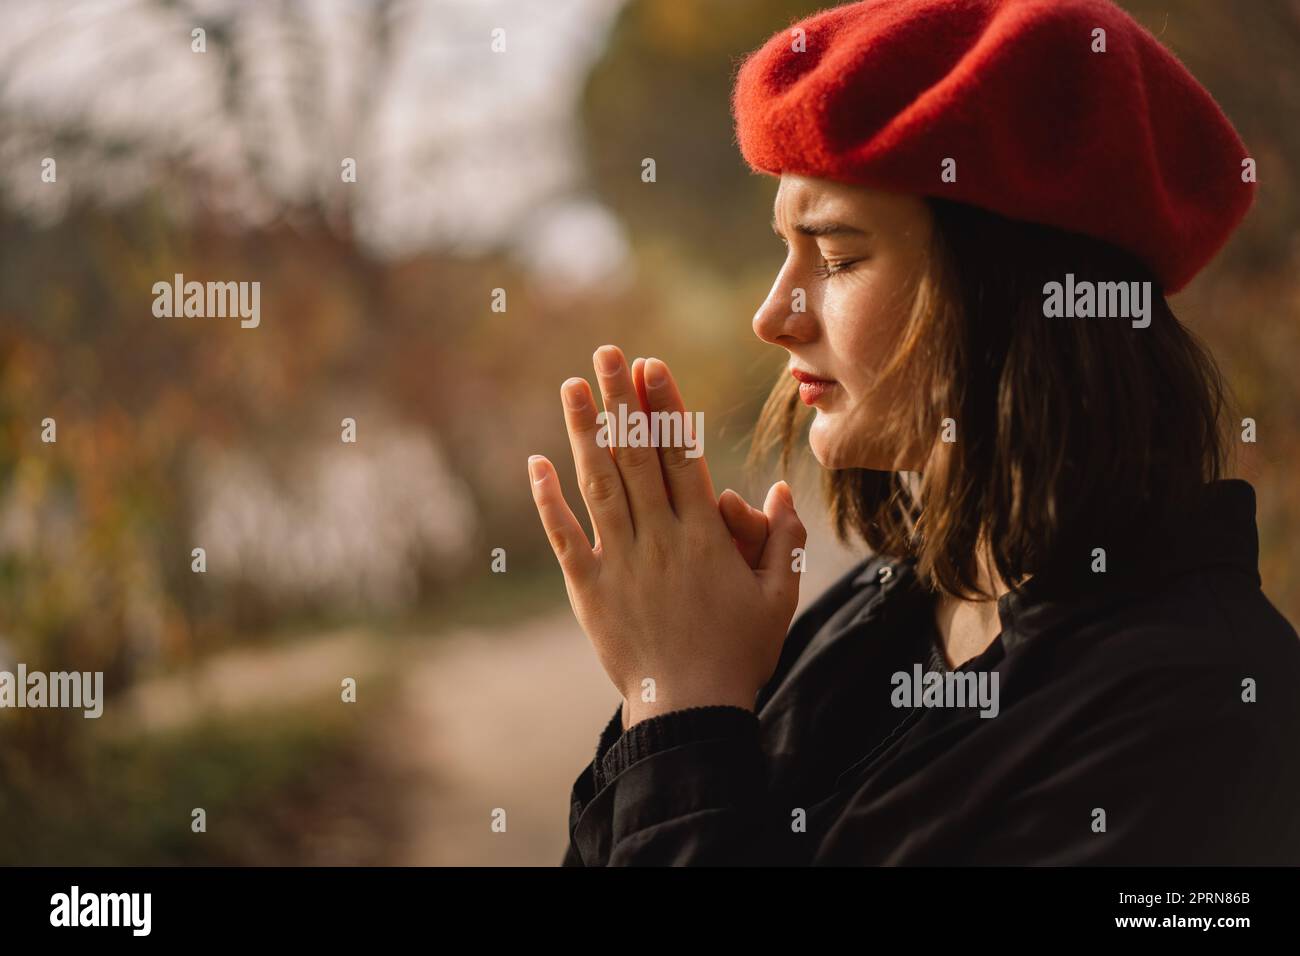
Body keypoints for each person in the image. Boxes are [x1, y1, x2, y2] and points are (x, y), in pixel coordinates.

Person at [527, 0, 1300, 865]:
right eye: (783, 249)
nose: (771, 316)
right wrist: (673, 692)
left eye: (838, 257)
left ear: (1017, 299)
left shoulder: (1200, 717)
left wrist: (682, 715)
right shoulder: (878, 612)